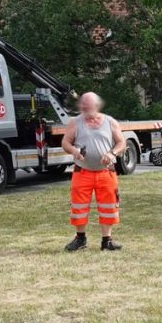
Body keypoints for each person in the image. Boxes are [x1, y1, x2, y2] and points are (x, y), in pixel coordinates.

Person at [62, 92, 126, 251]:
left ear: (96, 106)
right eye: (82, 105)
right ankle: (80, 239)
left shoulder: (110, 122)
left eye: (87, 106)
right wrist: (74, 151)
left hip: (106, 172)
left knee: (109, 206)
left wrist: (112, 154)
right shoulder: (75, 122)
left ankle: (107, 241)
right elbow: (65, 142)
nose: (83, 108)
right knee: (79, 207)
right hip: (82, 172)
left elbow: (121, 143)